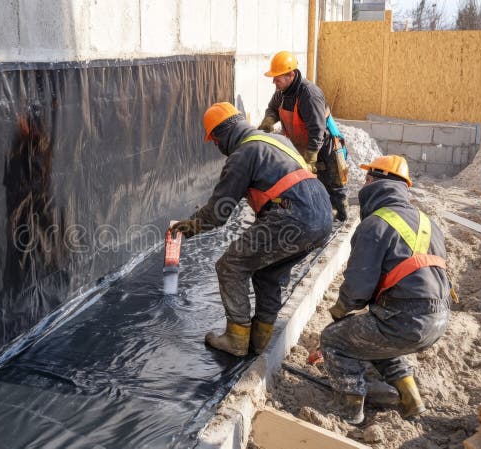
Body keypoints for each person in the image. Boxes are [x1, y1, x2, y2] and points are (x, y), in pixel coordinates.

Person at [170, 102, 333, 357]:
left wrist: (189, 226)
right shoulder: (277, 141)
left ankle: (236, 338)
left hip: (294, 216)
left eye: (214, 140)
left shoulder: (243, 154)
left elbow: (218, 213)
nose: (216, 146)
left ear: (223, 134)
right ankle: (259, 340)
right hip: (322, 216)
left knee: (231, 266)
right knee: (268, 274)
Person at [320, 155, 451, 424]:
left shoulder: (375, 224)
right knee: (376, 339)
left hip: (404, 320)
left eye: (367, 178)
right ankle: (410, 397)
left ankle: (349, 409)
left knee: (334, 340)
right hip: (438, 320)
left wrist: (340, 311)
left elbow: (357, 288)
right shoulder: (427, 222)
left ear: (371, 182)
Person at [258, 50, 349, 222]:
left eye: (277, 78)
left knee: (334, 189)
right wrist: (268, 121)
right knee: (309, 191)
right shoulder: (282, 92)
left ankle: (342, 224)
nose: (273, 82)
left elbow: (317, 130)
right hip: (300, 147)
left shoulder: (309, 94)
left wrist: (310, 161)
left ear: (291, 75)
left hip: (325, 148)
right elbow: (272, 108)